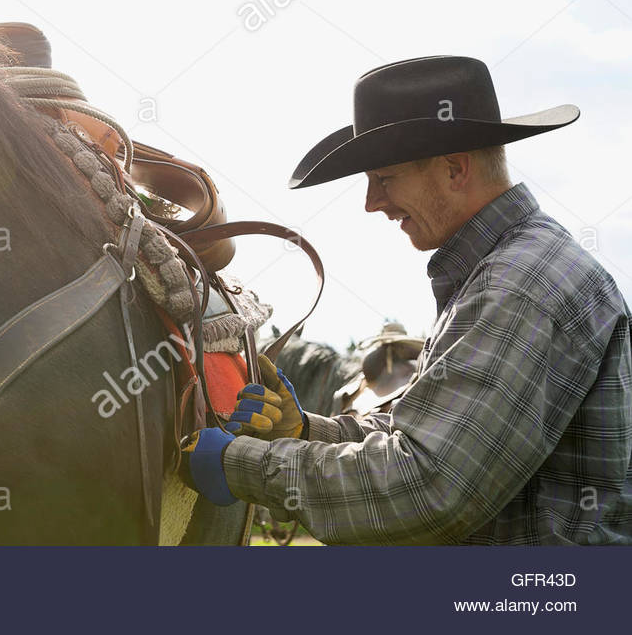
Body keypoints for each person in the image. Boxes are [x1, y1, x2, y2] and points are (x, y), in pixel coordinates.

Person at [183, 55, 631, 544]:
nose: (372, 202)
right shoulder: (510, 270)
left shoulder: (519, 283)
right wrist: (306, 431)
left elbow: (427, 487)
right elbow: (422, 433)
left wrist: (235, 465)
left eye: (386, 178)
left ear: (455, 169)